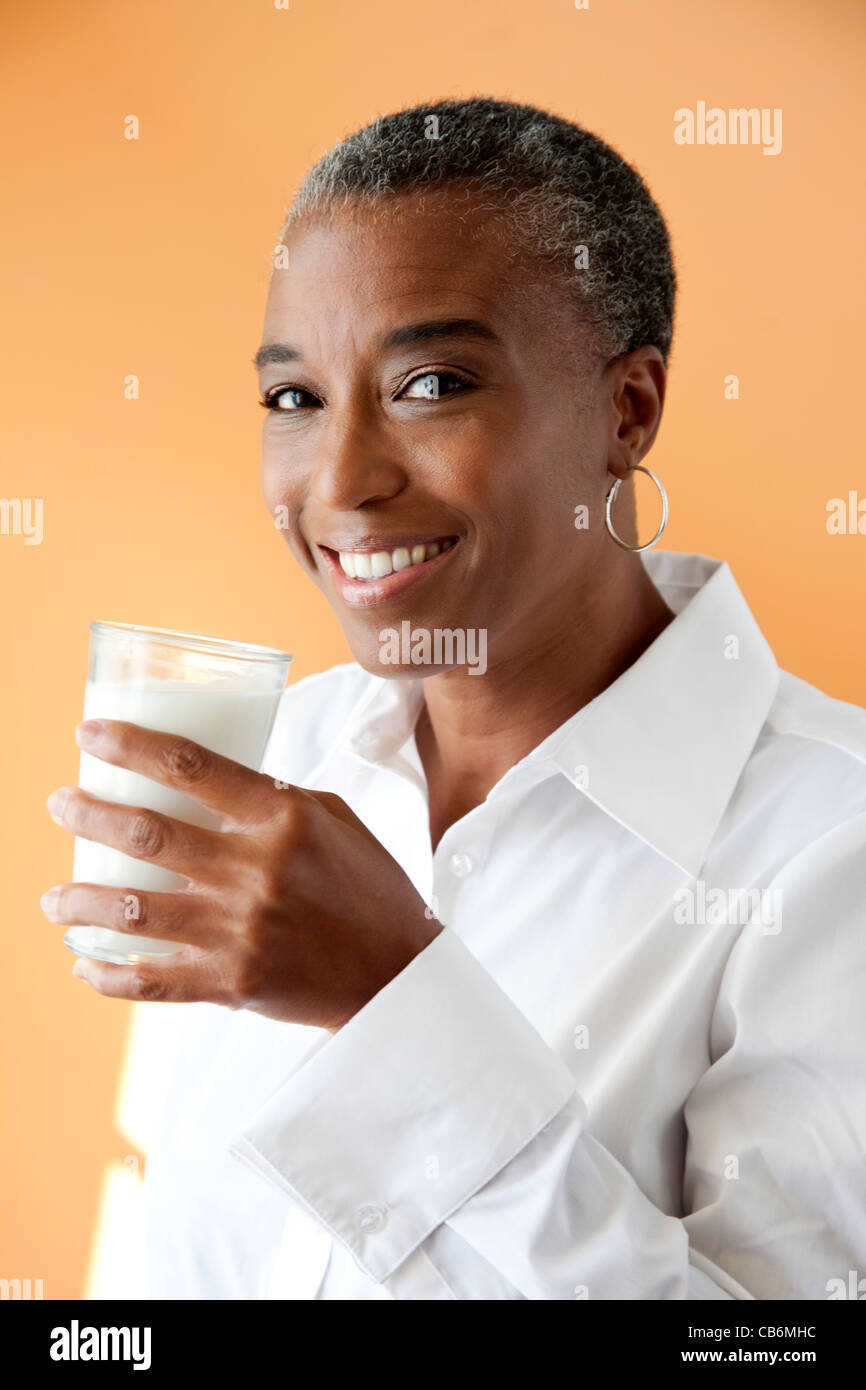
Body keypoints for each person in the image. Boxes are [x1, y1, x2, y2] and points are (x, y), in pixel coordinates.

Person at [43, 97, 866, 1300]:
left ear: (625, 411)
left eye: (430, 383)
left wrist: (393, 1001)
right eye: (293, 399)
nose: (339, 481)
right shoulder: (277, 765)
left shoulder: (826, 843)